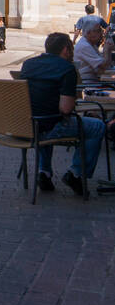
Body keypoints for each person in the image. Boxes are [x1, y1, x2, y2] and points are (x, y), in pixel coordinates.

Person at [19, 32, 107, 194]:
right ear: (66, 49)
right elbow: (66, 109)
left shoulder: (28, 64)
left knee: (44, 116)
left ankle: (43, 172)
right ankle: (76, 173)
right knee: (97, 126)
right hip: (48, 126)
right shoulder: (67, 69)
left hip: (26, 125)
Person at [73, 17, 115, 88]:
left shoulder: (91, 44)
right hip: (89, 84)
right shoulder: (84, 46)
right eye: (98, 31)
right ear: (89, 33)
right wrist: (107, 50)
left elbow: (106, 66)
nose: (102, 34)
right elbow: (103, 65)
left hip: (94, 81)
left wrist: (108, 50)